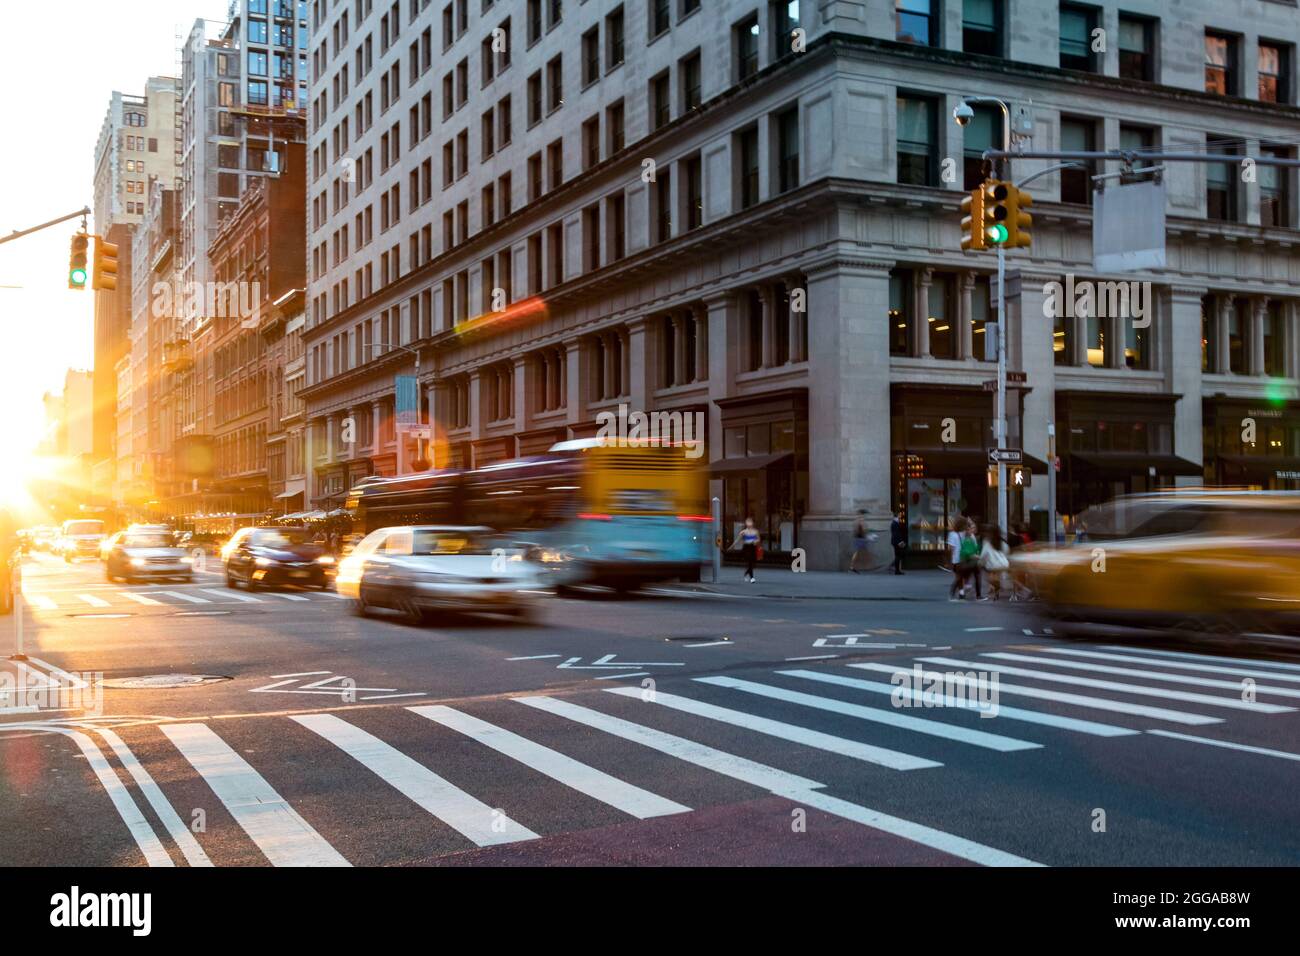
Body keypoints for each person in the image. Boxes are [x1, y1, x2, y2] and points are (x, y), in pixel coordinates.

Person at [978, 524, 1010, 601]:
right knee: (996, 577)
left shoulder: (988, 542)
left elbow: (983, 554)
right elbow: (1007, 550)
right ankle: (996, 592)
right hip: (1003, 563)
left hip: (992, 565)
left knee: (990, 578)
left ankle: (997, 587)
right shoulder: (1002, 541)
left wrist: (980, 562)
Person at [956, 520, 983, 600]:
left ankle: (962, 593)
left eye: (974, 527)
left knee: (963, 577)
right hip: (966, 561)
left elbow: (975, 549)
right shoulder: (968, 538)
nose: (974, 529)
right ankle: (976, 595)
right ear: (967, 529)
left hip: (968, 561)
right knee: (964, 577)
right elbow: (968, 552)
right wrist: (978, 556)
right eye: (972, 528)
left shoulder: (972, 537)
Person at [731, 517, 761, 583]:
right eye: (748, 522)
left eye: (750, 522)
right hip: (746, 548)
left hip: (753, 547)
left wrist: (756, 541)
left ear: (753, 523)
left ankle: (746, 573)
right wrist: (732, 546)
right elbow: (737, 539)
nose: (749, 523)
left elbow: (759, 539)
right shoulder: (743, 532)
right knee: (750, 562)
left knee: (753, 563)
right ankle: (752, 578)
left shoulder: (756, 531)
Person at [946, 514, 965, 599]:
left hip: (956, 559)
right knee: (959, 577)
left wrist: (949, 561)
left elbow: (951, 548)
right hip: (962, 559)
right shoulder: (964, 533)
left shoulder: (952, 534)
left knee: (959, 576)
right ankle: (954, 591)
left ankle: (961, 593)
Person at [889, 508, 907, 575]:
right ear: (897, 516)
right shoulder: (895, 523)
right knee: (898, 555)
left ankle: (897, 569)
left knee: (898, 555)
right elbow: (896, 534)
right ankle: (897, 570)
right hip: (897, 542)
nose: (900, 516)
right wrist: (900, 542)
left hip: (895, 541)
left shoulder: (895, 522)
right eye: (899, 515)